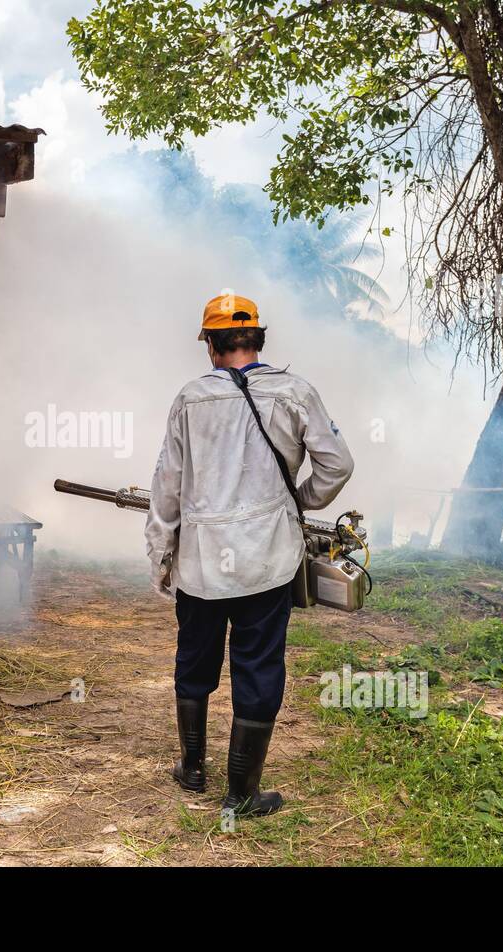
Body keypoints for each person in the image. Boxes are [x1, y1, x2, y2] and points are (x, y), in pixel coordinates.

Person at [145, 293, 354, 816]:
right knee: (258, 667)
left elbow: (166, 485)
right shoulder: (295, 391)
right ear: (258, 340)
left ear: (211, 346)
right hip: (267, 560)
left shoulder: (190, 399)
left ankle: (192, 767)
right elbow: (338, 465)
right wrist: (297, 502)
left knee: (195, 659)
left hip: (201, 562)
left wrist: (161, 552)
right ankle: (240, 796)